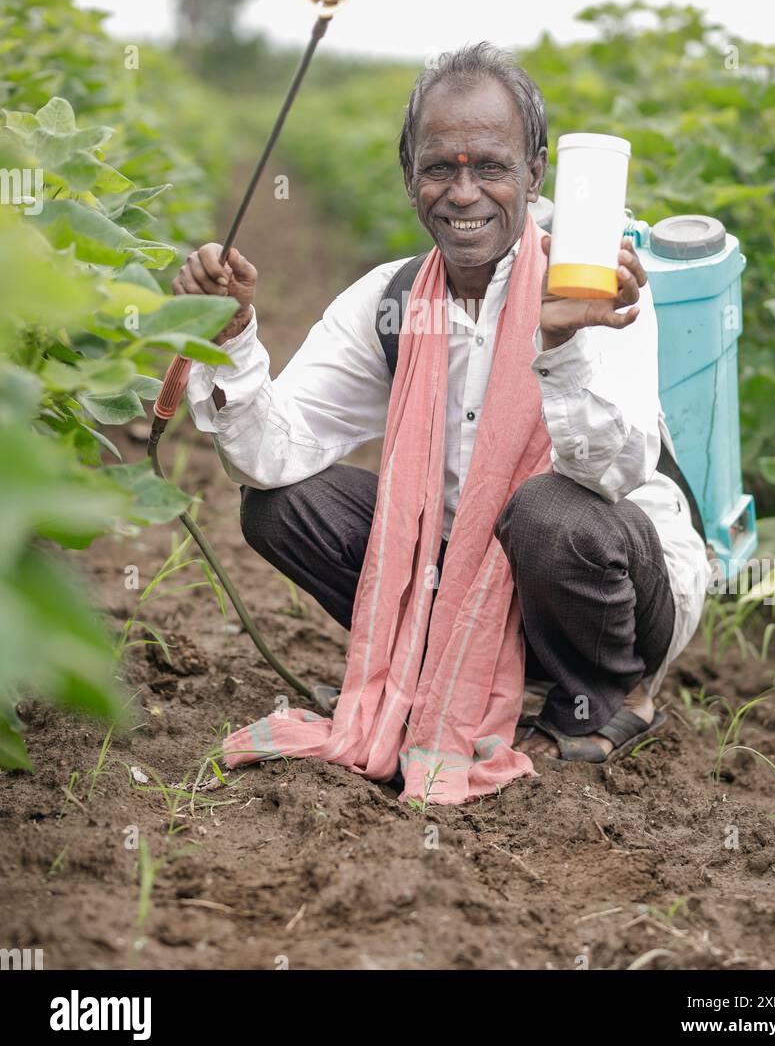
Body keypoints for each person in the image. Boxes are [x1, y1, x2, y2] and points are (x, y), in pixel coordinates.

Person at [174, 43, 709, 797]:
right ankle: (445, 659)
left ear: (535, 173)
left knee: (550, 512)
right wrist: (229, 334)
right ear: (409, 178)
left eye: (489, 166)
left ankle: (604, 695)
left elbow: (613, 476)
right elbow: (271, 452)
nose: (463, 193)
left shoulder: (592, 279)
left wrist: (559, 344)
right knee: (281, 506)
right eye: (439, 168)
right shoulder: (392, 300)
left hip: (613, 573)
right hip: (462, 565)